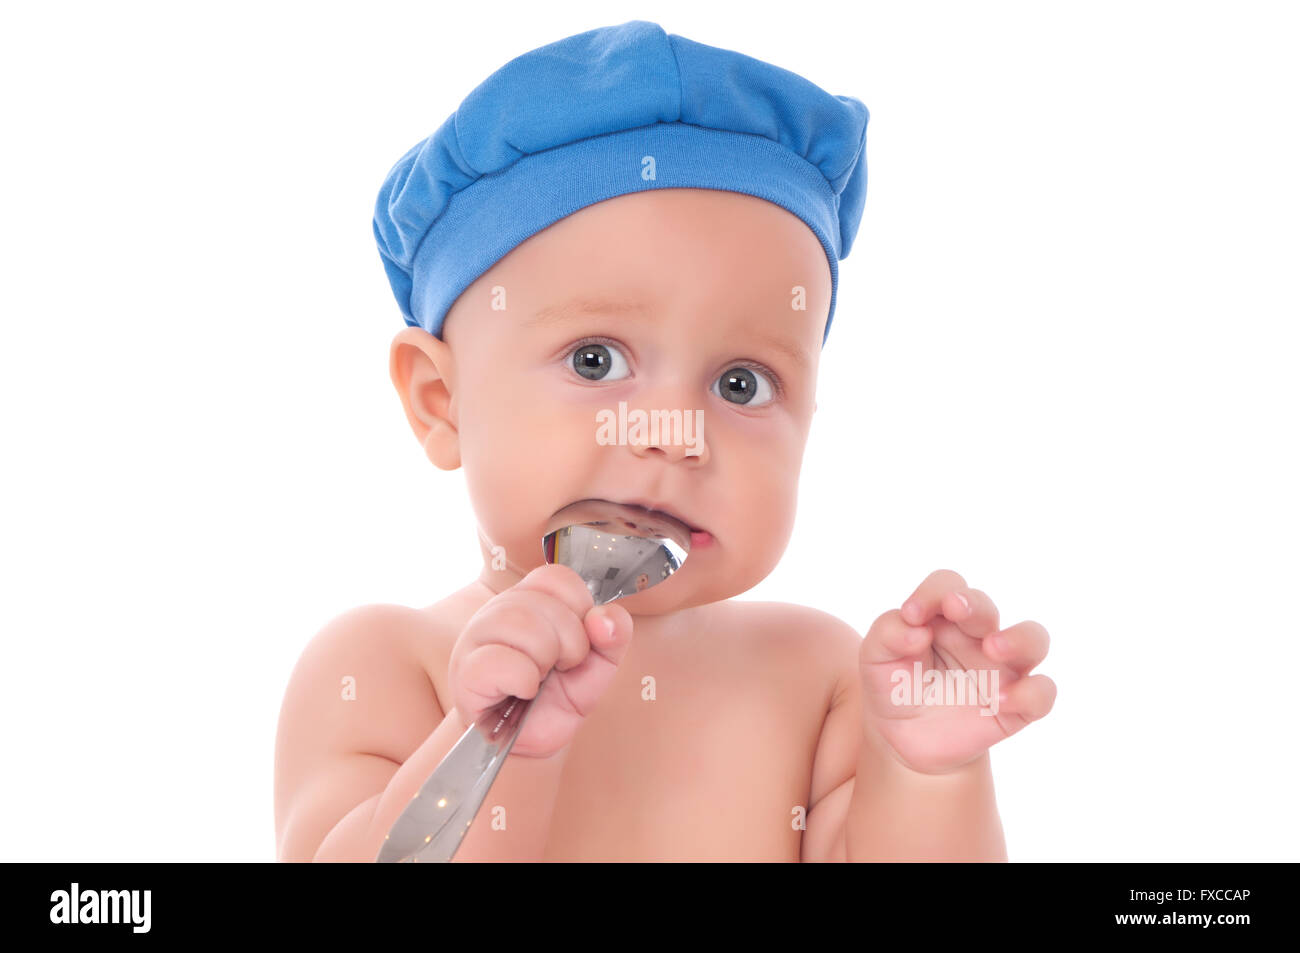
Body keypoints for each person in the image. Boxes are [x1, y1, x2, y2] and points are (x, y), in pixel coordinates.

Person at [274, 20, 1056, 862]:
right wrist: (490, 735)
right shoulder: (387, 666)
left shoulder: (816, 677)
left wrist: (928, 777)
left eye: (741, 384)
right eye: (596, 359)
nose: (673, 433)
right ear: (441, 401)